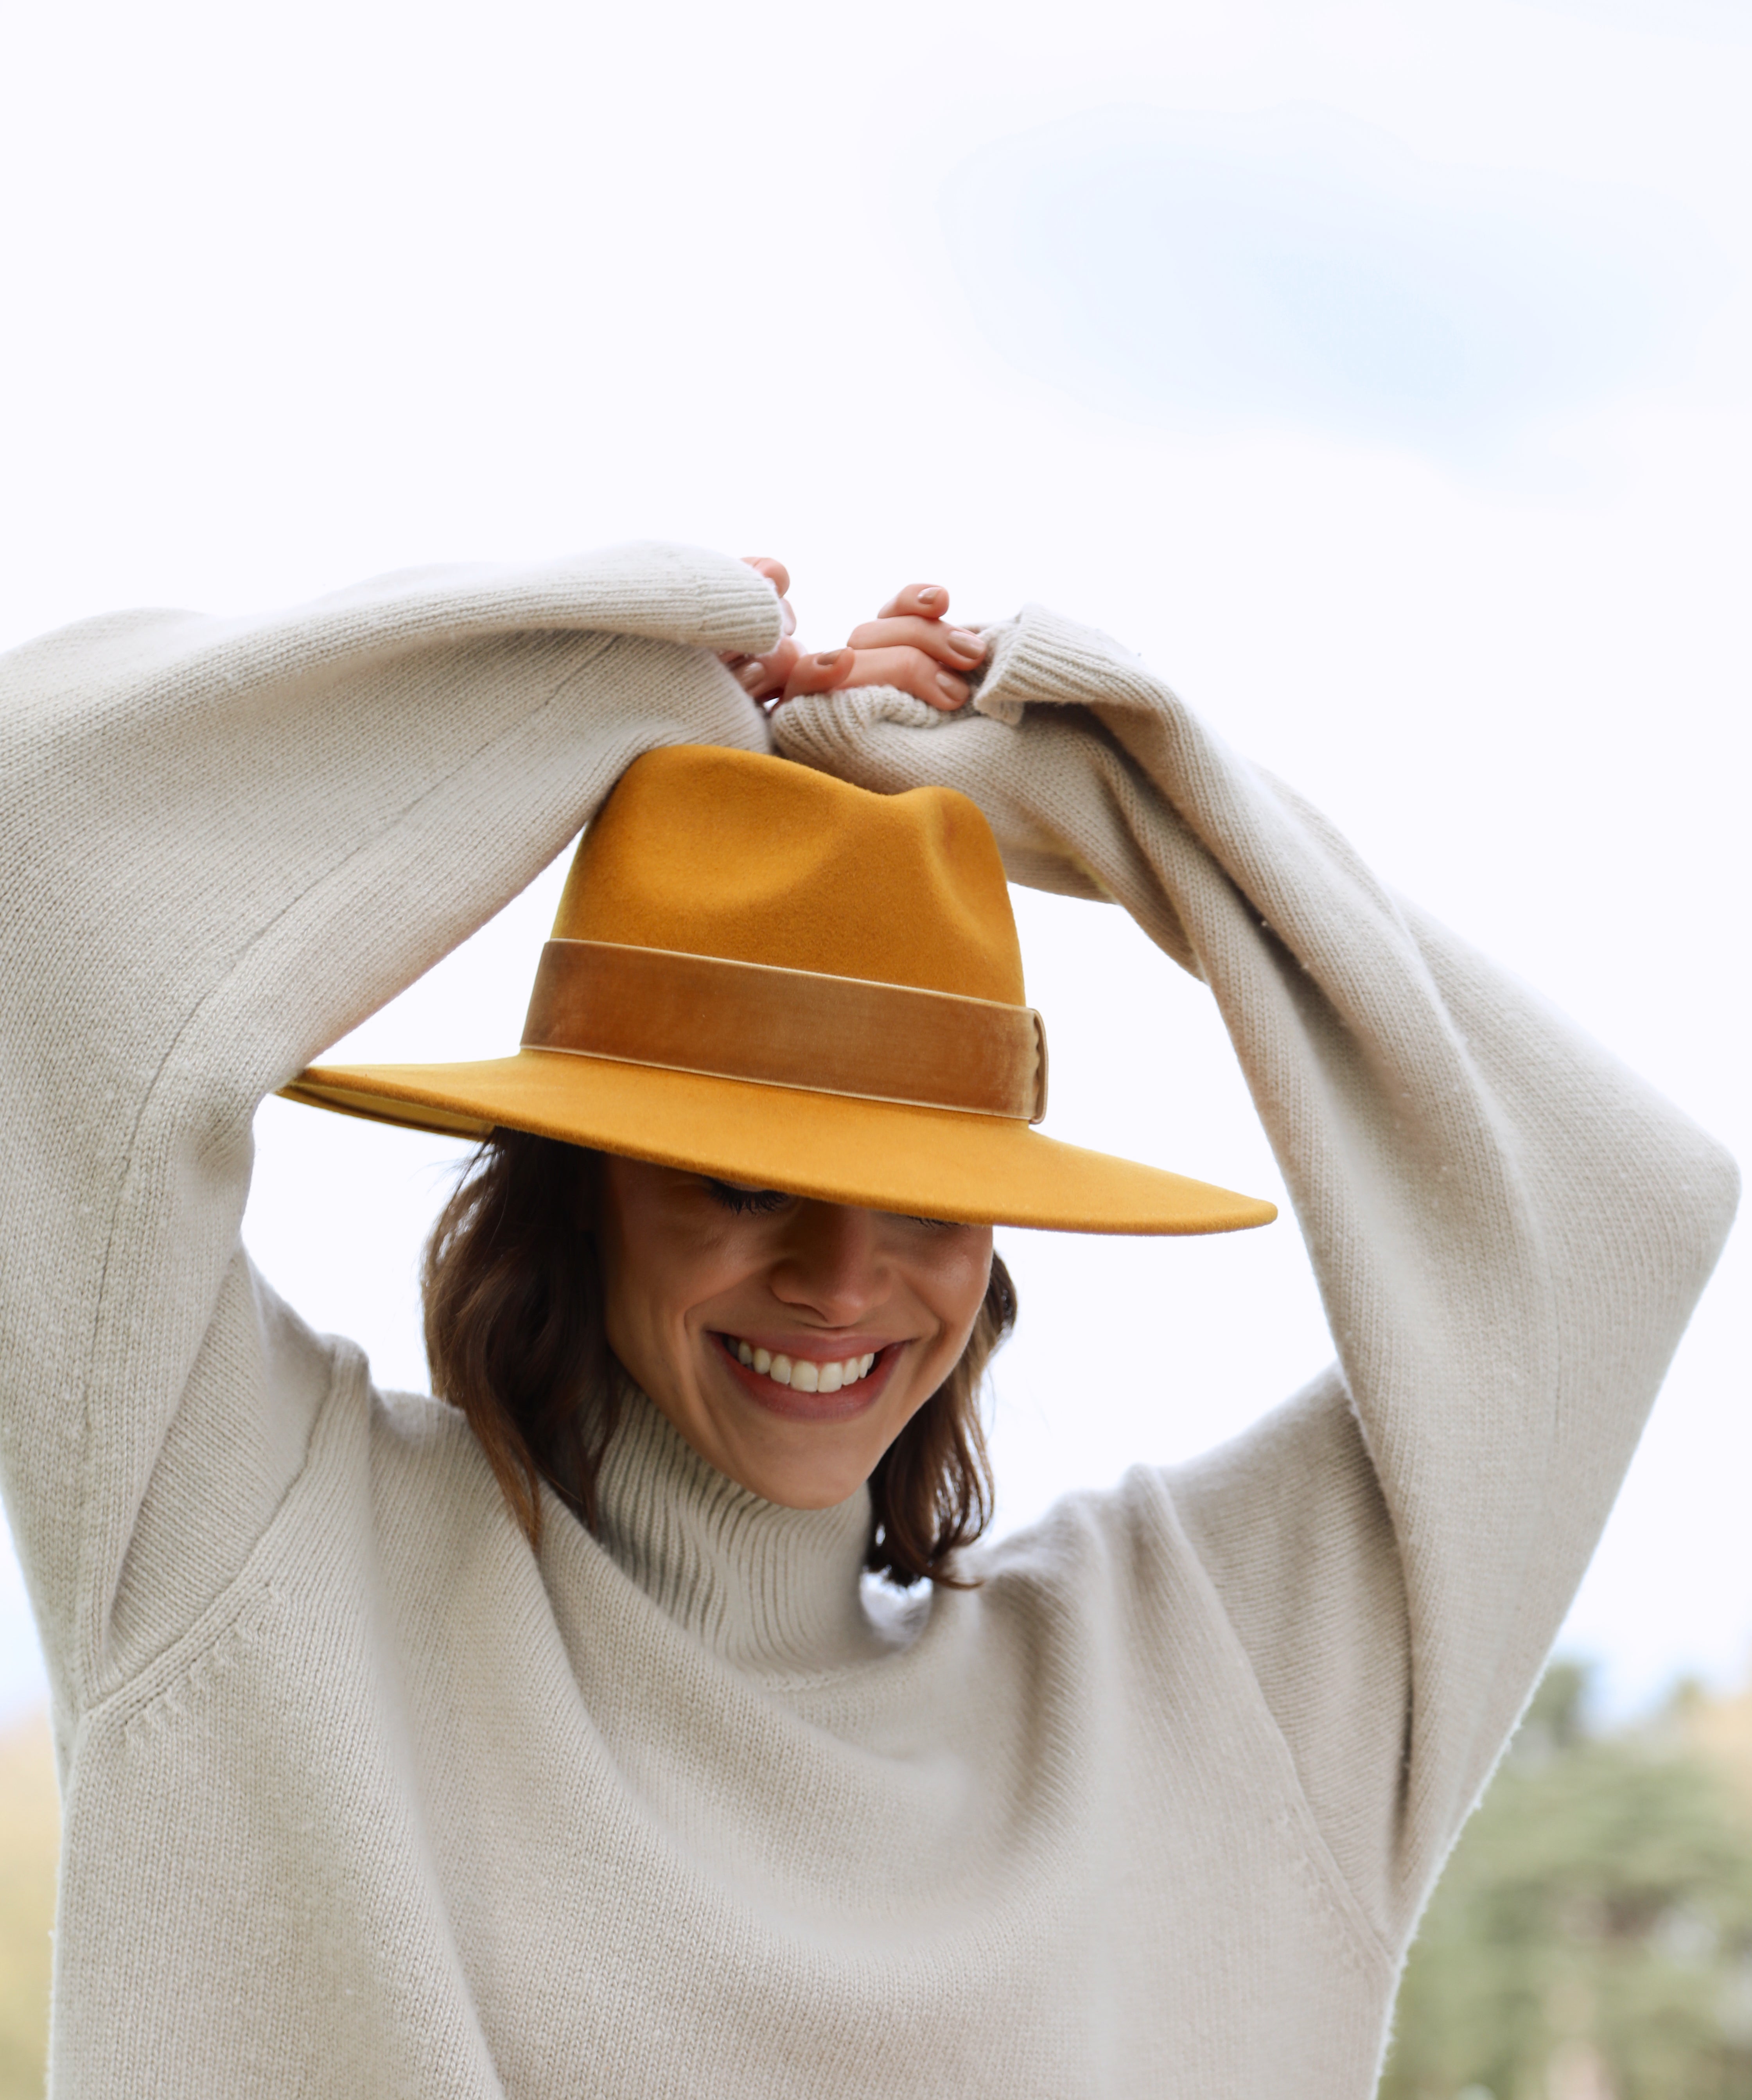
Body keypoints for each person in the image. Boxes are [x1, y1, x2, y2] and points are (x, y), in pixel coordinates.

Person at [0, 543, 1734, 2098]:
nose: (842, 1285)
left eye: (923, 1204)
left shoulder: (1192, 1687)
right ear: (582, 1182)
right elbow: (35, 840)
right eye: (744, 1184)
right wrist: (630, 692)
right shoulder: (252, 1541)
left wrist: (1078, 785)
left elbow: (1619, 1203)